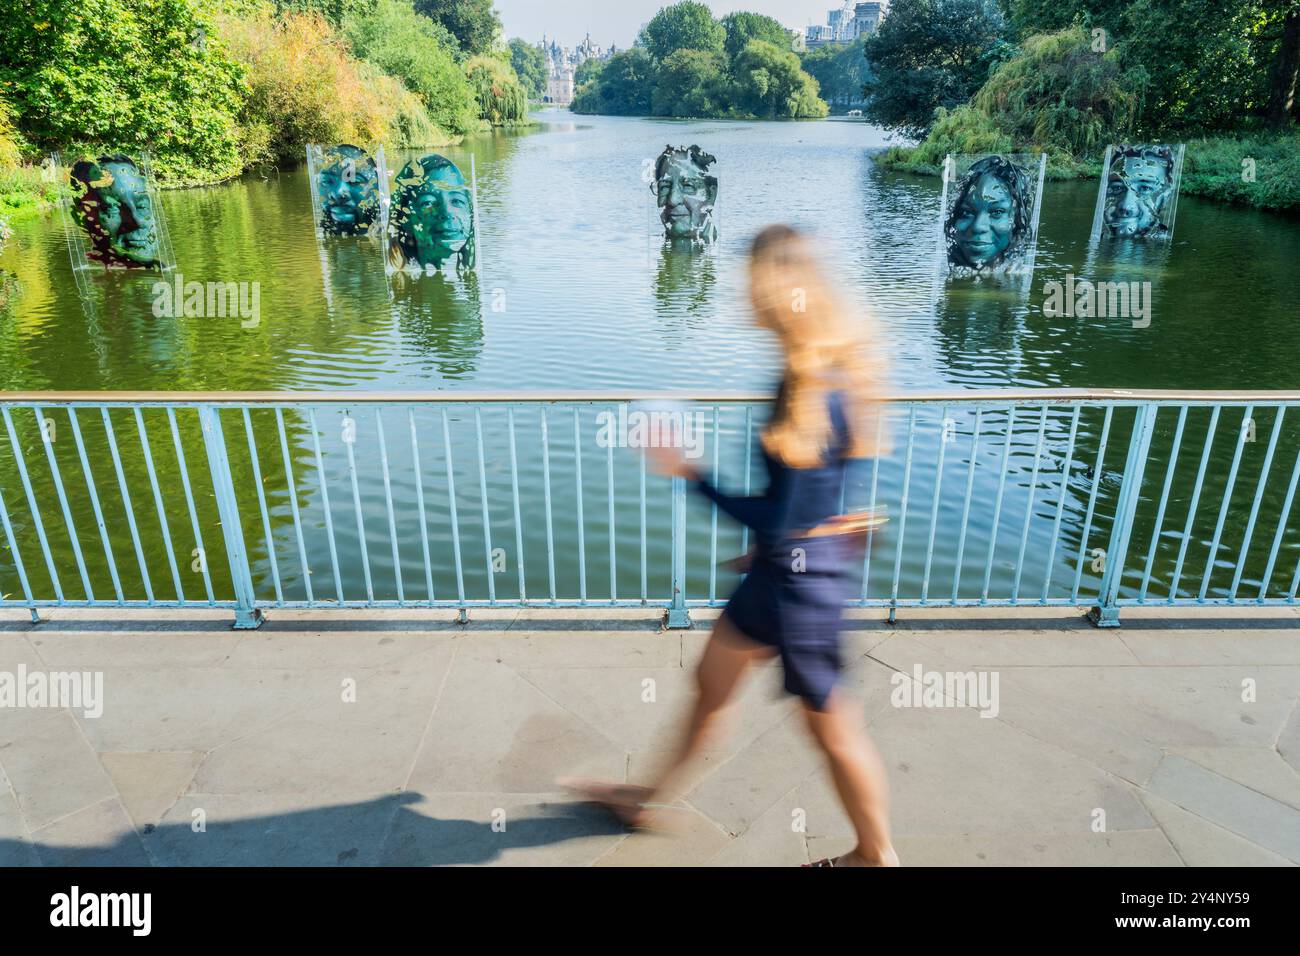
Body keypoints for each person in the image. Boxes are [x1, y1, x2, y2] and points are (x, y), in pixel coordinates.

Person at [567, 224, 898, 868]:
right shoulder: (821, 371)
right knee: (713, 686)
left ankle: (877, 857)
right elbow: (812, 491)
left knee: (832, 729)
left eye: (748, 283)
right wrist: (813, 532)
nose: (739, 296)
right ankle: (642, 800)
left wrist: (690, 474)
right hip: (784, 574)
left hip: (798, 589)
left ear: (778, 292)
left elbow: (784, 513)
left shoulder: (810, 386)